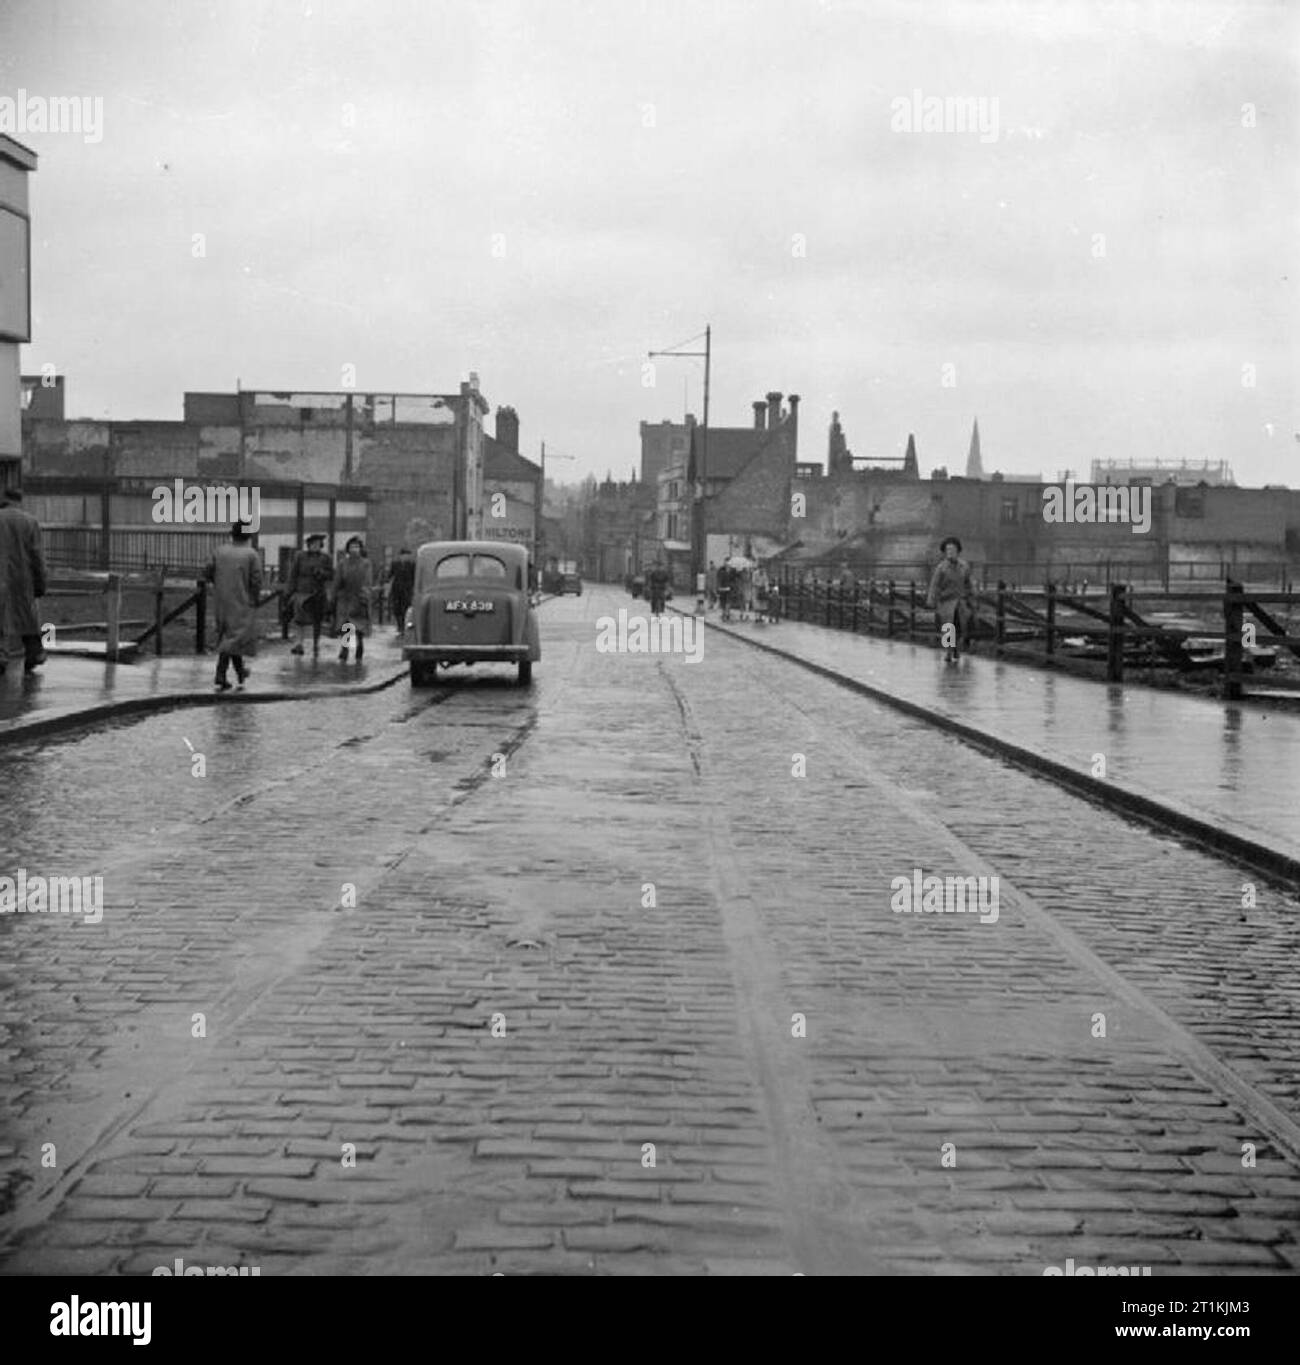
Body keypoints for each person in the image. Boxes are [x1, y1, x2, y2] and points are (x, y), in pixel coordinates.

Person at [202, 522, 262, 691]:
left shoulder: (219, 551)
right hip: (241, 599)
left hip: (221, 599)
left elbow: (207, 571)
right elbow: (256, 580)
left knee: (229, 635)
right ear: (248, 536)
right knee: (236, 637)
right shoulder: (251, 555)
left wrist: (219, 583)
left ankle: (240, 672)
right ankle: (220, 674)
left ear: (232, 534)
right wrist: (254, 598)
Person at [0, 488, 48, 675]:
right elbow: (37, 557)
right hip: (22, 579)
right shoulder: (30, 521)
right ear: (20, 501)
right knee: (26, 615)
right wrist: (41, 583)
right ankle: (34, 653)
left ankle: (1, 656)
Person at [926, 535, 974, 664]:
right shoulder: (941, 568)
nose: (950, 553)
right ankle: (948, 651)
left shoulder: (964, 566)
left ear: (958, 551)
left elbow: (968, 583)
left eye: (952, 550)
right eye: (948, 550)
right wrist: (932, 599)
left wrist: (972, 596)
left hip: (960, 601)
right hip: (946, 601)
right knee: (948, 626)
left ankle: (956, 647)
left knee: (960, 626)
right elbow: (934, 585)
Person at [285, 532, 333, 656]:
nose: (315, 546)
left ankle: (316, 643)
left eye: (317, 544)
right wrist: (289, 591)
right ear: (308, 545)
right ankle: (298, 643)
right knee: (299, 619)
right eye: (312, 544)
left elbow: (331, 574)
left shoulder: (326, 558)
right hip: (302, 591)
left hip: (317, 592)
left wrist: (321, 573)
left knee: (317, 619)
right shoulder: (300, 556)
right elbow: (293, 574)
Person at [334, 535, 373, 662]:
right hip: (345, 597)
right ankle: (345, 648)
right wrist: (334, 594)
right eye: (352, 547)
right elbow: (338, 580)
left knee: (359, 626)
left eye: (357, 547)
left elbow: (367, 580)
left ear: (361, 549)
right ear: (348, 549)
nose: (354, 549)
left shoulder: (365, 563)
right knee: (346, 625)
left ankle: (359, 647)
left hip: (359, 596)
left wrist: (365, 594)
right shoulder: (342, 563)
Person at [386, 546, 416, 635]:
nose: (406, 557)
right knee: (397, 608)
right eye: (404, 555)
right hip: (396, 589)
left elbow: (414, 577)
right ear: (401, 556)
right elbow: (390, 575)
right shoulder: (395, 564)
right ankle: (399, 626)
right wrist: (386, 581)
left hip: (407, 589)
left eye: (408, 555)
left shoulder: (412, 565)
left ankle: (404, 625)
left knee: (406, 608)